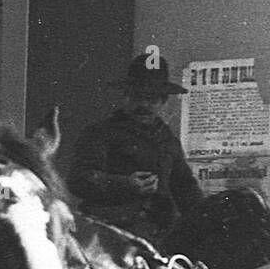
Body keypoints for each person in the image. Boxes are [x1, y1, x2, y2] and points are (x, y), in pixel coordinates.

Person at [69, 53, 205, 243]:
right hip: (109, 237)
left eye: (151, 99)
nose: (143, 105)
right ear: (125, 96)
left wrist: (207, 217)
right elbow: (78, 180)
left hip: (159, 237)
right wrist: (125, 184)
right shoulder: (100, 133)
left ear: (163, 101)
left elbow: (185, 188)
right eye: (136, 97)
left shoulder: (168, 140)